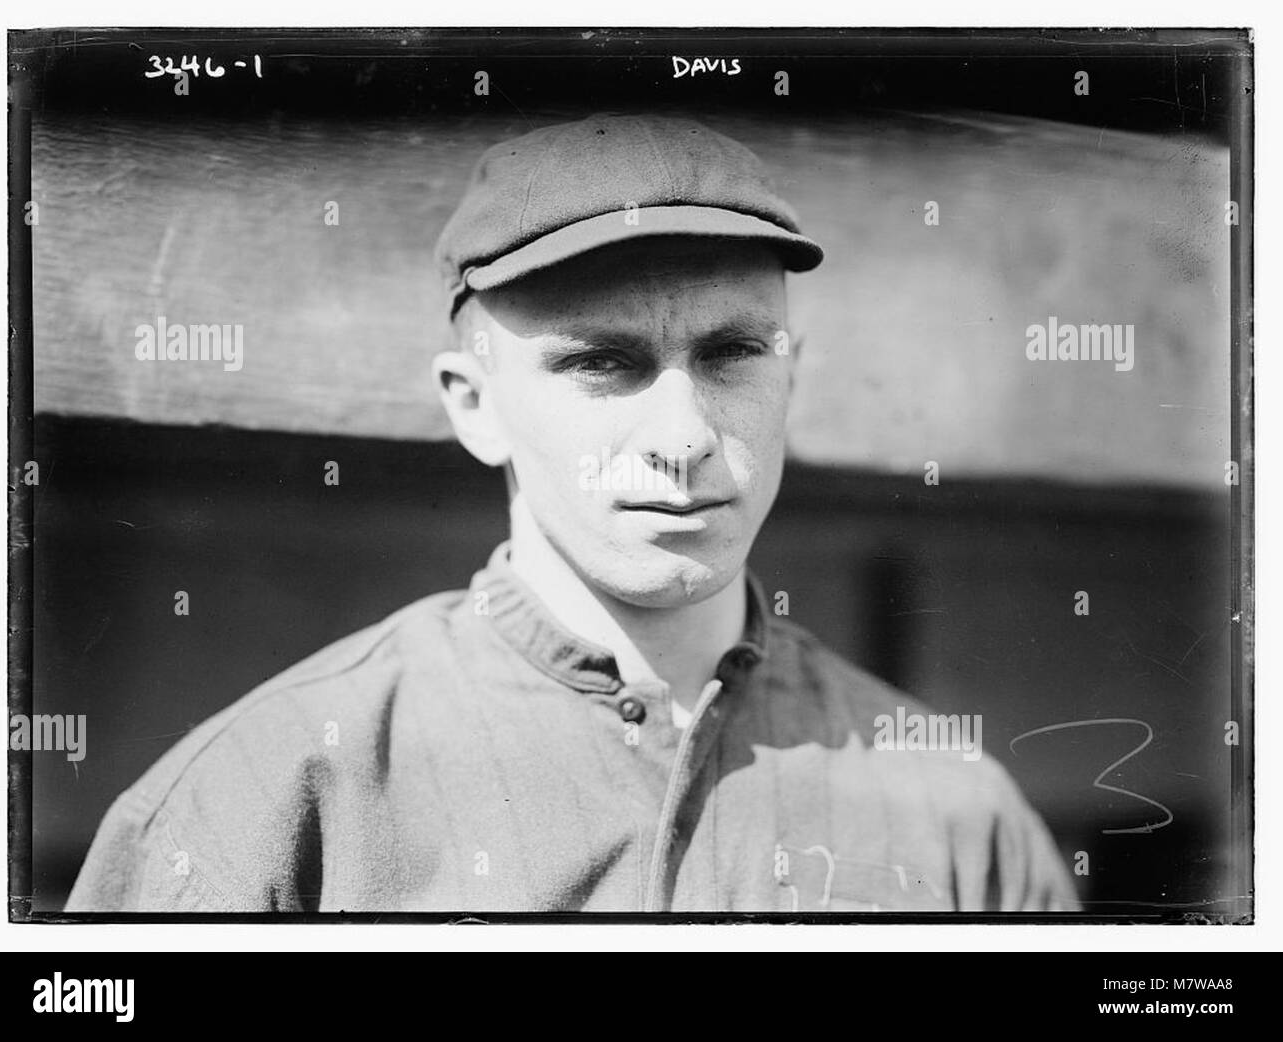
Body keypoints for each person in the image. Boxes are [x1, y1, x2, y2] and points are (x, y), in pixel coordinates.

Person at [68, 114, 1078, 913]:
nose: (681, 435)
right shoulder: (265, 796)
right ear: (475, 405)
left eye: (732, 355)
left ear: (791, 376)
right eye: (602, 362)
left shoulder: (951, 802)